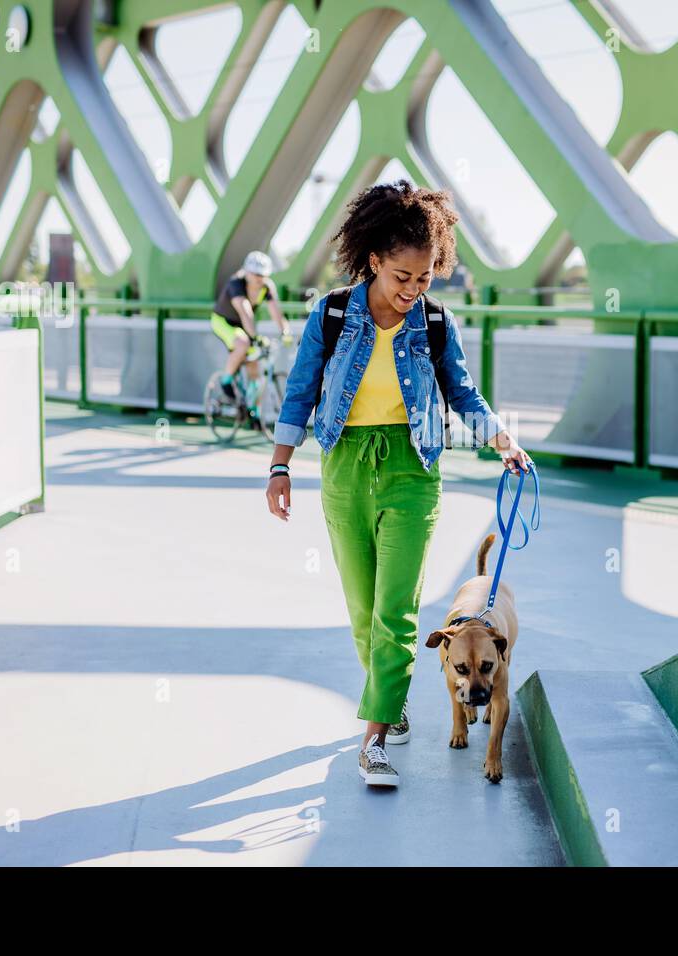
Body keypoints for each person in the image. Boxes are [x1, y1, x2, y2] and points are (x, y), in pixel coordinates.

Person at [265, 180, 533, 789]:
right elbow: (301, 391)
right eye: (402, 278)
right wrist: (280, 465)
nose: (413, 291)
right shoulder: (332, 313)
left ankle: (375, 739)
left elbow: (463, 393)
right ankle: (392, 699)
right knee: (363, 612)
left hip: (413, 469)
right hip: (345, 466)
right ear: (375, 261)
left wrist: (502, 440)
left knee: (396, 613)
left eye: (425, 278)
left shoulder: (435, 323)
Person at [210, 250, 292, 400]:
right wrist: (255, 337)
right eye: (255, 274)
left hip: (243, 325)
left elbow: (276, 313)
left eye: (263, 275)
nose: (259, 279)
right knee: (243, 343)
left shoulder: (267, 286)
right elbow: (246, 313)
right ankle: (226, 380)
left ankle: (253, 410)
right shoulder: (236, 283)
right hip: (223, 321)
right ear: (247, 272)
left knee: (254, 366)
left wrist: (285, 332)